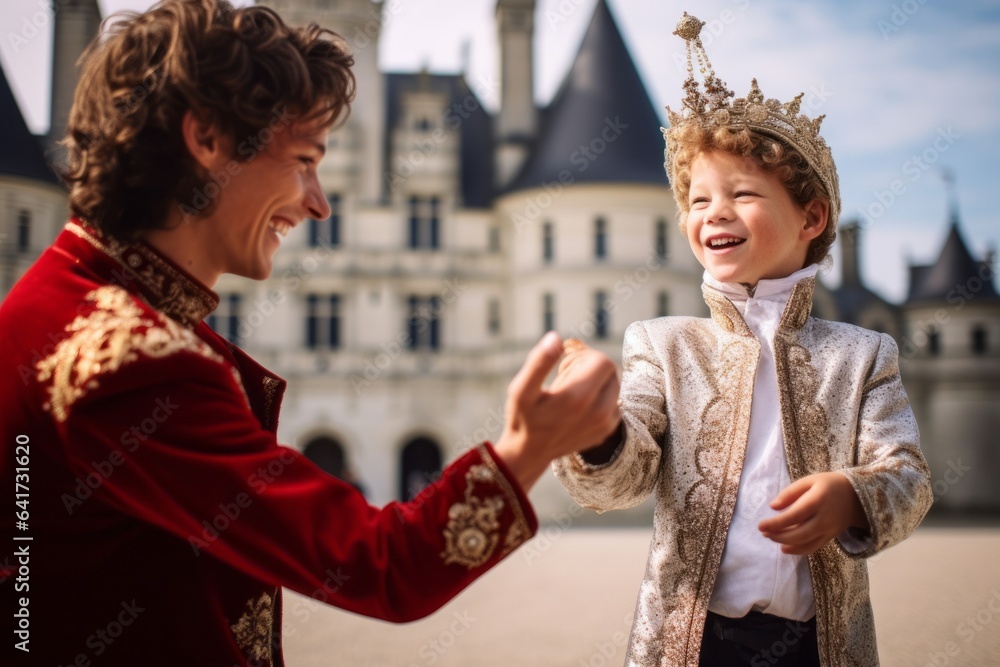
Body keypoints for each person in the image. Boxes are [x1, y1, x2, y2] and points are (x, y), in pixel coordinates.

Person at [0, 1, 621, 665]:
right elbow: (382, 565)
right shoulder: (129, 360)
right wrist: (527, 447)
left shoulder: (63, 305)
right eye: (303, 159)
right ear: (207, 139)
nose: (318, 202)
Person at [554, 13, 933, 667]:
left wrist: (851, 494)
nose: (713, 212)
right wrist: (599, 433)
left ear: (811, 217)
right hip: (692, 645)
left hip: (818, 645)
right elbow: (627, 477)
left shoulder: (863, 354)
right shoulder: (660, 344)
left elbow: (910, 478)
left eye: (742, 192)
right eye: (697, 200)